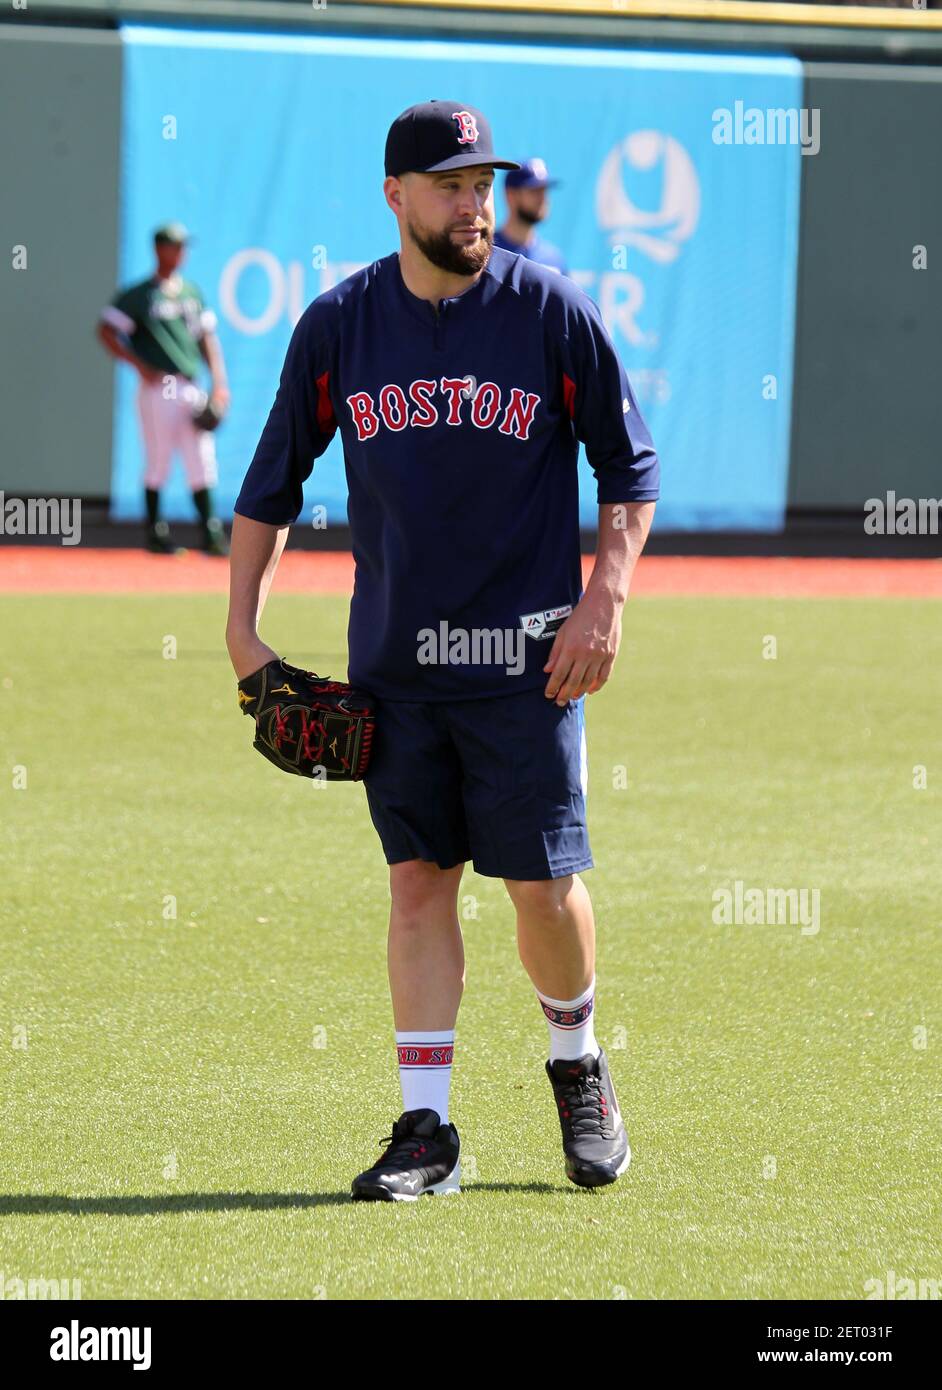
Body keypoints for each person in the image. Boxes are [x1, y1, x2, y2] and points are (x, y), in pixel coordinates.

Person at [226, 101, 659, 1201]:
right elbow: (272, 486)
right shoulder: (340, 325)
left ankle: (577, 1062)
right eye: (452, 184)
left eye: (482, 183)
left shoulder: (550, 311)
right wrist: (241, 623)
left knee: (542, 887)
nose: (475, 202)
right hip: (399, 669)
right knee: (417, 882)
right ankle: (429, 1128)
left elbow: (629, 466)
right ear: (397, 197)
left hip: (529, 664)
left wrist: (604, 598)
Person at [96, 222, 230, 555]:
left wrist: (220, 384)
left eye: (184, 246)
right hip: (160, 388)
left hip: (191, 385)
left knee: (201, 459)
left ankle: (211, 534)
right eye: (176, 246)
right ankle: (156, 534)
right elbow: (107, 330)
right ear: (159, 249)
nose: (181, 252)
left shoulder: (191, 292)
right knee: (159, 459)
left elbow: (207, 340)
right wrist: (139, 365)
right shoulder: (141, 294)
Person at [494, 157, 569, 276]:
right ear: (511, 195)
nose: (543, 199)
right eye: (534, 191)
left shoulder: (553, 258)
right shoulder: (488, 252)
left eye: (544, 190)